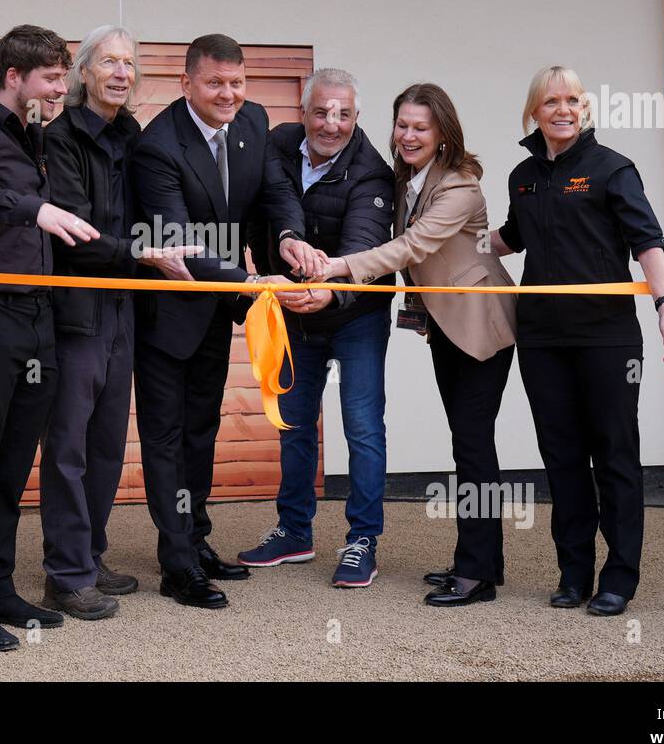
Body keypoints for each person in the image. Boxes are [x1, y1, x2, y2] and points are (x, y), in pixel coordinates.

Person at [131, 33, 322, 609]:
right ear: (185, 82)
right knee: (166, 438)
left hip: (216, 310)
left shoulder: (254, 121)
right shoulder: (156, 146)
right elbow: (180, 240)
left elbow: (276, 191)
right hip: (167, 310)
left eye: (237, 82)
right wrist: (253, 283)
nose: (228, 94)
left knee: (201, 430)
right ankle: (177, 565)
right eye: (215, 83)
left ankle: (197, 538)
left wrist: (289, 238)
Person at [490, 65, 664, 617]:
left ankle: (618, 577)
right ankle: (572, 573)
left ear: (585, 108)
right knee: (563, 457)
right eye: (551, 101)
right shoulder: (523, 175)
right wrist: (446, 240)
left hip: (606, 339)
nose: (563, 109)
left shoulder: (612, 169)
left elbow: (647, 243)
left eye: (573, 99)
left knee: (615, 455)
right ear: (535, 112)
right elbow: (512, 237)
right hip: (543, 338)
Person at [0, 24, 100, 652]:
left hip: (36, 319)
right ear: (14, 77)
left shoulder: (34, 139)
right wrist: (34, 210)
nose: (63, 89)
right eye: (53, 78)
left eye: (64, 77)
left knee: (10, 466)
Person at [322, 83, 518, 607]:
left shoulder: (461, 187)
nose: (408, 136)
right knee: (466, 441)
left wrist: (341, 267)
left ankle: (477, 575)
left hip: (481, 327)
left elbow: (412, 245)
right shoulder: (409, 179)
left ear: (442, 134)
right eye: (402, 125)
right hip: (444, 326)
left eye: (420, 128)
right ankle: (482, 559)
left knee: (473, 444)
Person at [38, 25, 199, 620]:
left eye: (130, 63)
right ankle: (65, 574)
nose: (121, 73)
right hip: (76, 311)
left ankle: (90, 554)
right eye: (109, 62)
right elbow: (77, 233)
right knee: (68, 448)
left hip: (123, 309)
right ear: (85, 72)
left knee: (107, 445)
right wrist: (143, 252)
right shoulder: (59, 138)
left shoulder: (133, 135)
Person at [235, 68, 395, 588]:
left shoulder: (373, 172)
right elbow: (269, 203)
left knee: (362, 429)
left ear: (356, 117)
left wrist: (330, 290)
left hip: (355, 314)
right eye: (322, 112)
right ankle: (294, 531)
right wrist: (277, 256)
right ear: (303, 113)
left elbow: (364, 249)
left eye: (344, 114)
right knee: (293, 424)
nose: (332, 123)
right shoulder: (278, 144)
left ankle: (362, 540)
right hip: (291, 311)